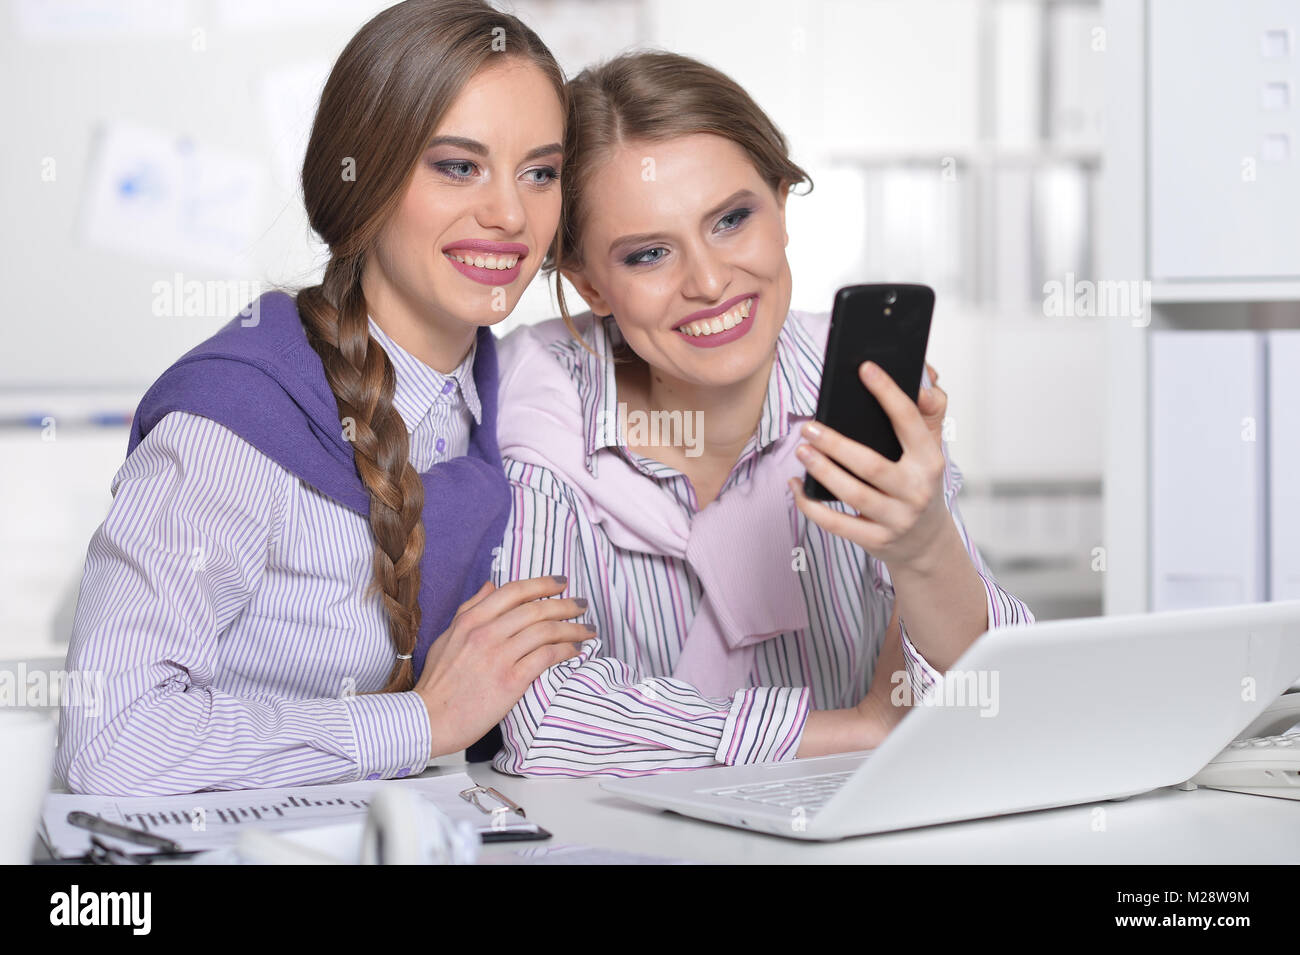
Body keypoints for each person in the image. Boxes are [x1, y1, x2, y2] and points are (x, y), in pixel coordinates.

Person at [56, 0, 587, 795]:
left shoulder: (507, 395)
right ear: (364, 176)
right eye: (457, 165)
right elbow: (113, 738)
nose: (511, 215)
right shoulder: (232, 420)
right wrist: (423, 721)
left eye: (539, 173)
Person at [491, 51, 1036, 776]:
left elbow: (995, 699)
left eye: (731, 220)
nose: (710, 282)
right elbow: (545, 718)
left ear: (781, 205)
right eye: (650, 254)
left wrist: (924, 545)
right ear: (591, 282)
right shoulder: (544, 404)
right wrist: (854, 729)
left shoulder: (855, 389)